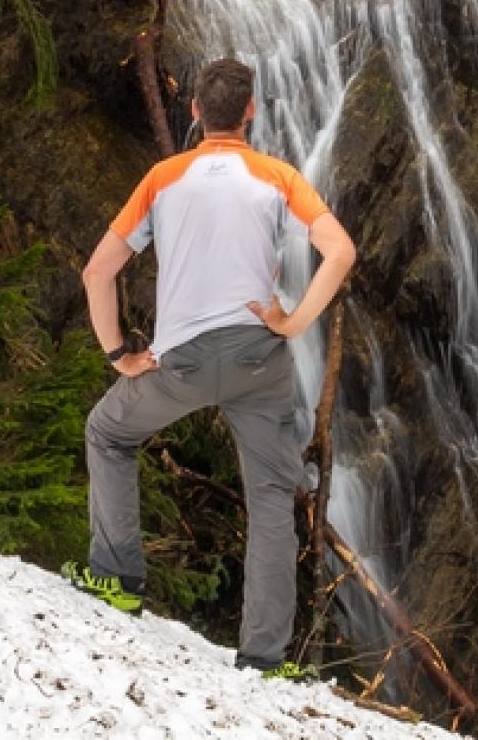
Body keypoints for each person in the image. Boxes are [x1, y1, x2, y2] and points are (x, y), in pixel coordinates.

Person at [61, 55, 356, 675]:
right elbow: (340, 250)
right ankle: (265, 657)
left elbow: (98, 272)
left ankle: (117, 578)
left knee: (109, 432)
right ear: (250, 111)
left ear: (194, 111)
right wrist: (295, 322)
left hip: (183, 363)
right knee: (273, 497)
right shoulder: (278, 176)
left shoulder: (162, 179)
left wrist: (120, 354)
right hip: (259, 357)